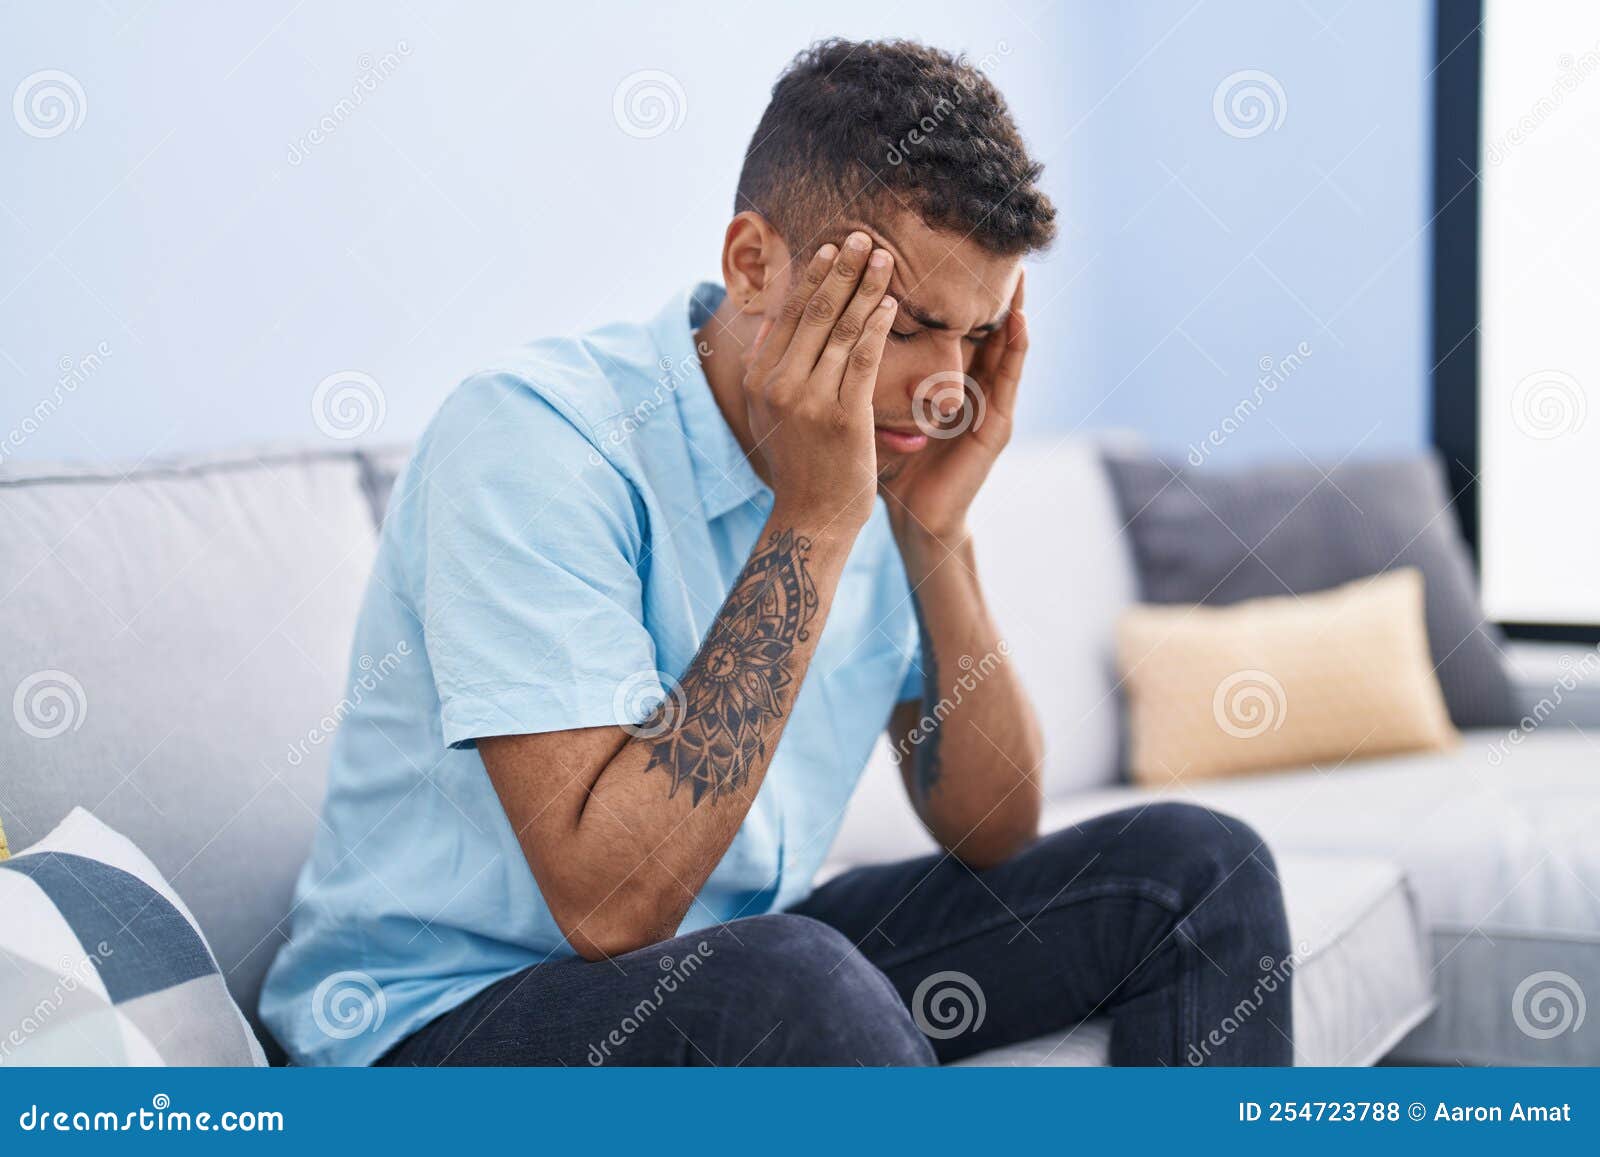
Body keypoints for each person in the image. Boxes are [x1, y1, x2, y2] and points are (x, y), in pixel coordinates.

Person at [260, 38, 1293, 1067]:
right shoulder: (535, 440)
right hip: (439, 1024)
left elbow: (990, 825)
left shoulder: (887, 457)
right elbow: (609, 907)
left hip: (739, 956)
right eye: (906, 326)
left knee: (1196, 870)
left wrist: (934, 532)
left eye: (977, 336)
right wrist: (814, 519)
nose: (948, 390)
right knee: (796, 981)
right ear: (753, 266)